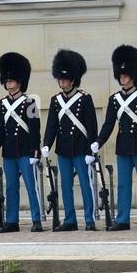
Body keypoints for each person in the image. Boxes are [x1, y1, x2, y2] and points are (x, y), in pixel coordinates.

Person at [93, 45, 137, 232]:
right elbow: (108, 125)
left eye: (125, 74)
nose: (122, 77)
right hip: (123, 148)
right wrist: (98, 141)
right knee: (123, 187)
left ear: (133, 75)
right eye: (120, 75)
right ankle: (122, 220)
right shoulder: (114, 100)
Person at [42, 50, 99, 231]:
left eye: (65, 79)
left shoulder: (84, 98)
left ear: (73, 79)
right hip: (64, 149)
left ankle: (89, 219)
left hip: (81, 148)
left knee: (85, 184)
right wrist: (46, 144)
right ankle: (70, 220)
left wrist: (92, 150)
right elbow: (52, 125)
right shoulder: (56, 100)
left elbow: (91, 126)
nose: (62, 81)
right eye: (60, 79)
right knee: (65, 186)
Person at [0, 53, 43, 233]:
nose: (9, 83)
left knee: (31, 186)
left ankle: (36, 219)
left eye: (12, 81)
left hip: (27, 151)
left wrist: (36, 152)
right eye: (7, 81)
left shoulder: (30, 102)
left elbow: (35, 129)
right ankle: (12, 220)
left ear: (20, 82)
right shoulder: (2, 104)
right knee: (11, 187)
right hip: (10, 152)